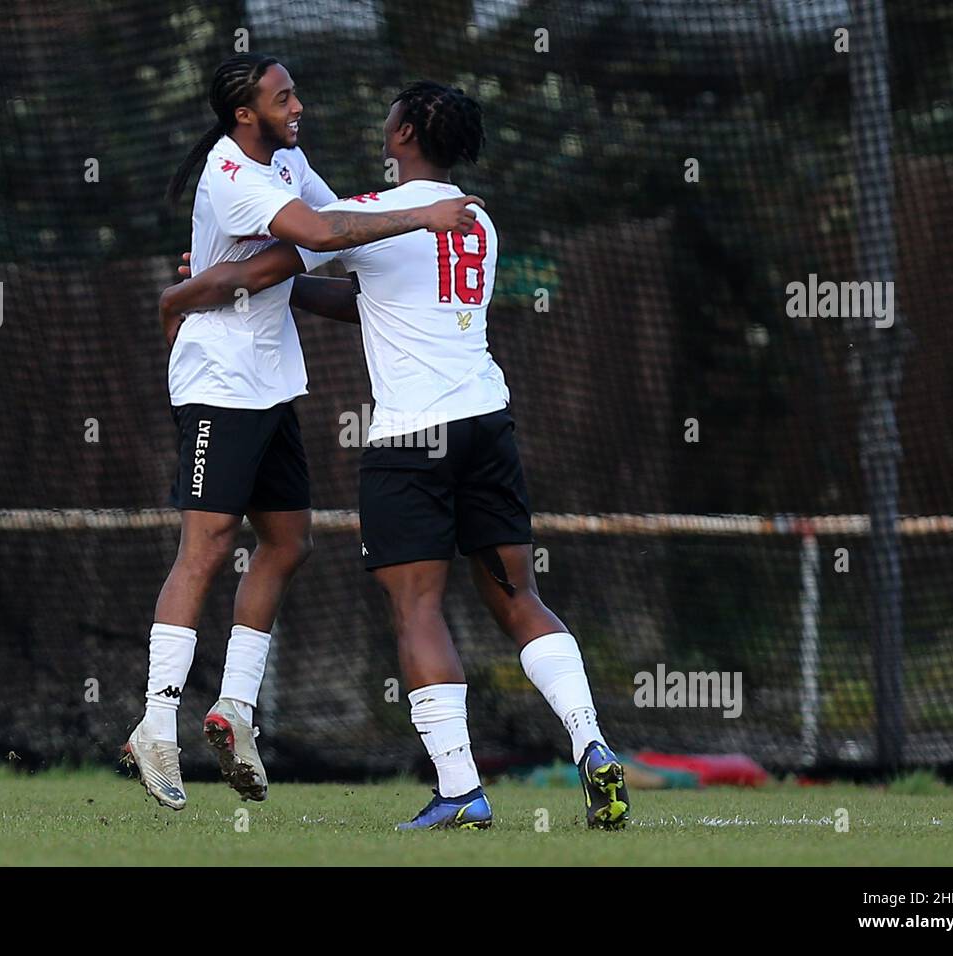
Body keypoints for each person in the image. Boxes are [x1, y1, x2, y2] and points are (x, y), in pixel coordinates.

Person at [156, 81, 630, 831]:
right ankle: (594, 744)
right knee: (519, 599)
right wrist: (287, 290)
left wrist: (200, 283)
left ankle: (460, 790)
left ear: (405, 132)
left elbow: (315, 235)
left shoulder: (375, 214)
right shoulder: (478, 221)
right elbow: (369, 301)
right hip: (487, 422)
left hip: (414, 439)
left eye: (391, 115)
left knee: (418, 608)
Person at [126, 55, 482, 813]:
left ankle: (235, 711)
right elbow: (321, 231)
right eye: (282, 97)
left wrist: (235, 277)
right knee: (209, 544)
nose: (299, 106)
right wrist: (418, 215)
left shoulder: (285, 156)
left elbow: (330, 237)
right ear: (243, 114)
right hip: (219, 383)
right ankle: (156, 723)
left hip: (272, 382)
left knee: (290, 542)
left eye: (293, 93)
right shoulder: (232, 174)